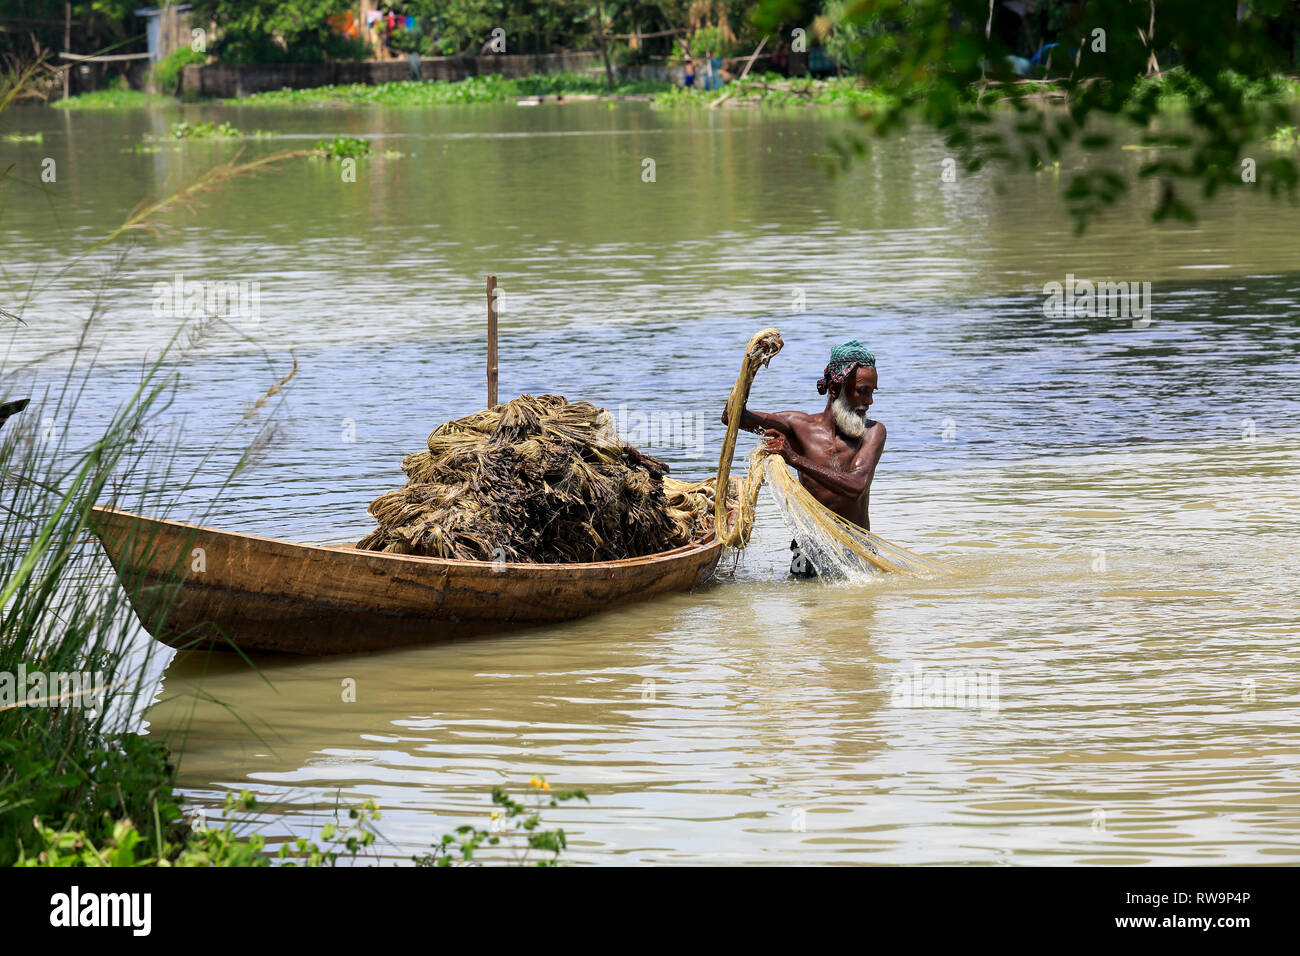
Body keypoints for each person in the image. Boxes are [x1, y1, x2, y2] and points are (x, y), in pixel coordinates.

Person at [721, 341, 885, 577]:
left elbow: (856, 486)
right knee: (805, 604)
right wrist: (751, 367)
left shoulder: (873, 432)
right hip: (807, 549)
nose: (869, 402)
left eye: (872, 392)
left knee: (856, 610)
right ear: (835, 389)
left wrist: (794, 458)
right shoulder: (799, 426)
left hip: (854, 549)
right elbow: (732, 417)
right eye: (862, 391)